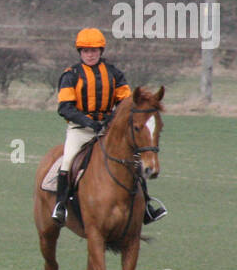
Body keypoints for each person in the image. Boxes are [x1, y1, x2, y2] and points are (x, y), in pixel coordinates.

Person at [52, 28, 167, 225]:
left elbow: (126, 103)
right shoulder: (70, 75)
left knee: (135, 160)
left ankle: (146, 206)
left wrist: (110, 121)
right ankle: (61, 205)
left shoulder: (114, 74)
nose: (90, 54)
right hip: (80, 130)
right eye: (86, 51)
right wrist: (89, 122)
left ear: (101, 51)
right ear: (80, 52)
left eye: (94, 50)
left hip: (109, 130)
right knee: (68, 161)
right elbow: (65, 108)